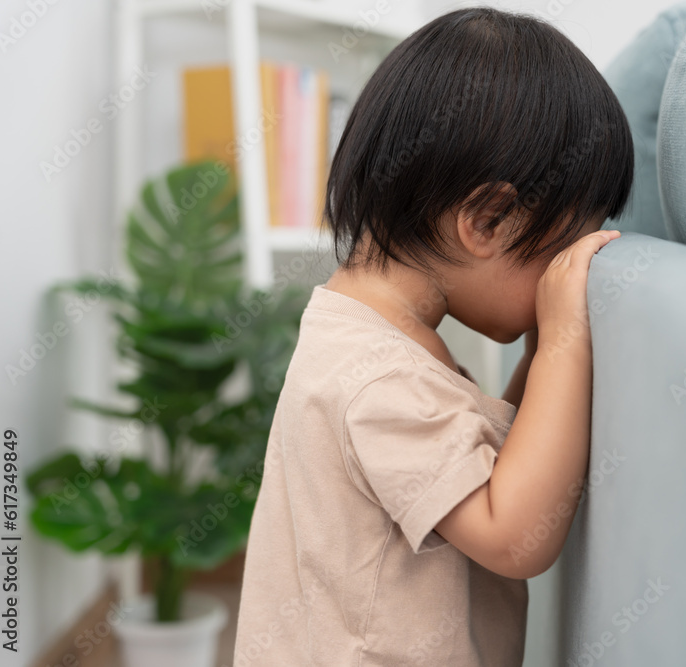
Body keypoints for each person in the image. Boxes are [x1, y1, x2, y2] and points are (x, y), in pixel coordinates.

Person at [233, 5, 633, 665]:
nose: (561, 278)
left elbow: (489, 464)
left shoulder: (366, 334)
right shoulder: (379, 376)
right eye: (563, 245)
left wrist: (542, 353)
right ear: (488, 219)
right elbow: (515, 534)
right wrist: (564, 339)